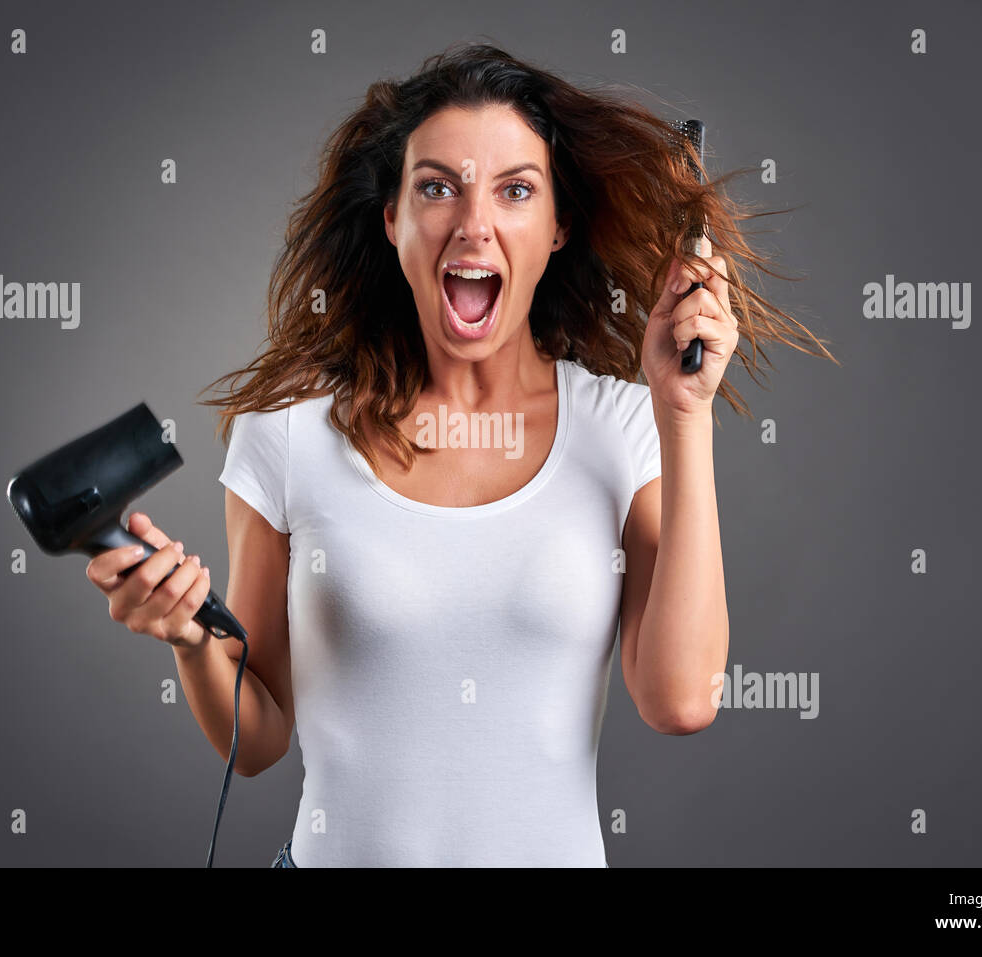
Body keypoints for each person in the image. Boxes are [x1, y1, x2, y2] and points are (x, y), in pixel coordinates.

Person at [85, 42, 836, 867]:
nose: (474, 223)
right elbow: (258, 739)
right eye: (438, 187)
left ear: (556, 230)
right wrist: (192, 639)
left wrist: (684, 415)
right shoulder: (287, 438)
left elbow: (682, 699)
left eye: (515, 190)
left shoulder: (625, 426)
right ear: (393, 221)